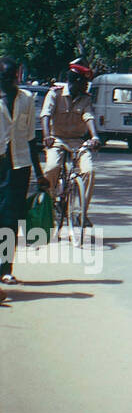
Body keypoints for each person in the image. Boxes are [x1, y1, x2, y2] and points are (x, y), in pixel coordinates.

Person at [41, 62, 101, 229]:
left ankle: (81, 213)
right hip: (57, 139)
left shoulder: (86, 98)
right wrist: (47, 136)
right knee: (52, 167)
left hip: (77, 140)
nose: (86, 86)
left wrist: (94, 136)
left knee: (89, 171)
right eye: (84, 83)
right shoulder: (55, 94)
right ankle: (51, 199)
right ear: (74, 82)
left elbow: (88, 116)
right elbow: (45, 115)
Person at [0, 57, 39, 286]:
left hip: (20, 167)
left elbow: (31, 138)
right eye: (4, 76)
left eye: (12, 75)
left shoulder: (27, 99)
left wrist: (40, 172)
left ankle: (6, 268)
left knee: (11, 220)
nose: (8, 80)